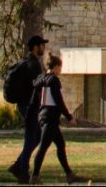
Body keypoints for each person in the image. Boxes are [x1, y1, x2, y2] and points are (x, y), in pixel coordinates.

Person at [31, 51, 85, 184]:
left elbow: (35, 93)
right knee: (43, 147)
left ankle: (69, 174)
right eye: (60, 67)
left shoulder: (41, 78)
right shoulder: (53, 80)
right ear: (55, 67)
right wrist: (68, 116)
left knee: (61, 144)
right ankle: (35, 176)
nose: (61, 70)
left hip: (43, 116)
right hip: (50, 118)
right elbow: (58, 100)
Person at [5, 35, 49, 185]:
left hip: (26, 104)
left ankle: (18, 166)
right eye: (42, 45)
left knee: (36, 136)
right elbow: (37, 87)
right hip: (29, 106)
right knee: (31, 137)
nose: (44, 48)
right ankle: (23, 172)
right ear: (36, 47)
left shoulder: (30, 62)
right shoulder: (33, 64)